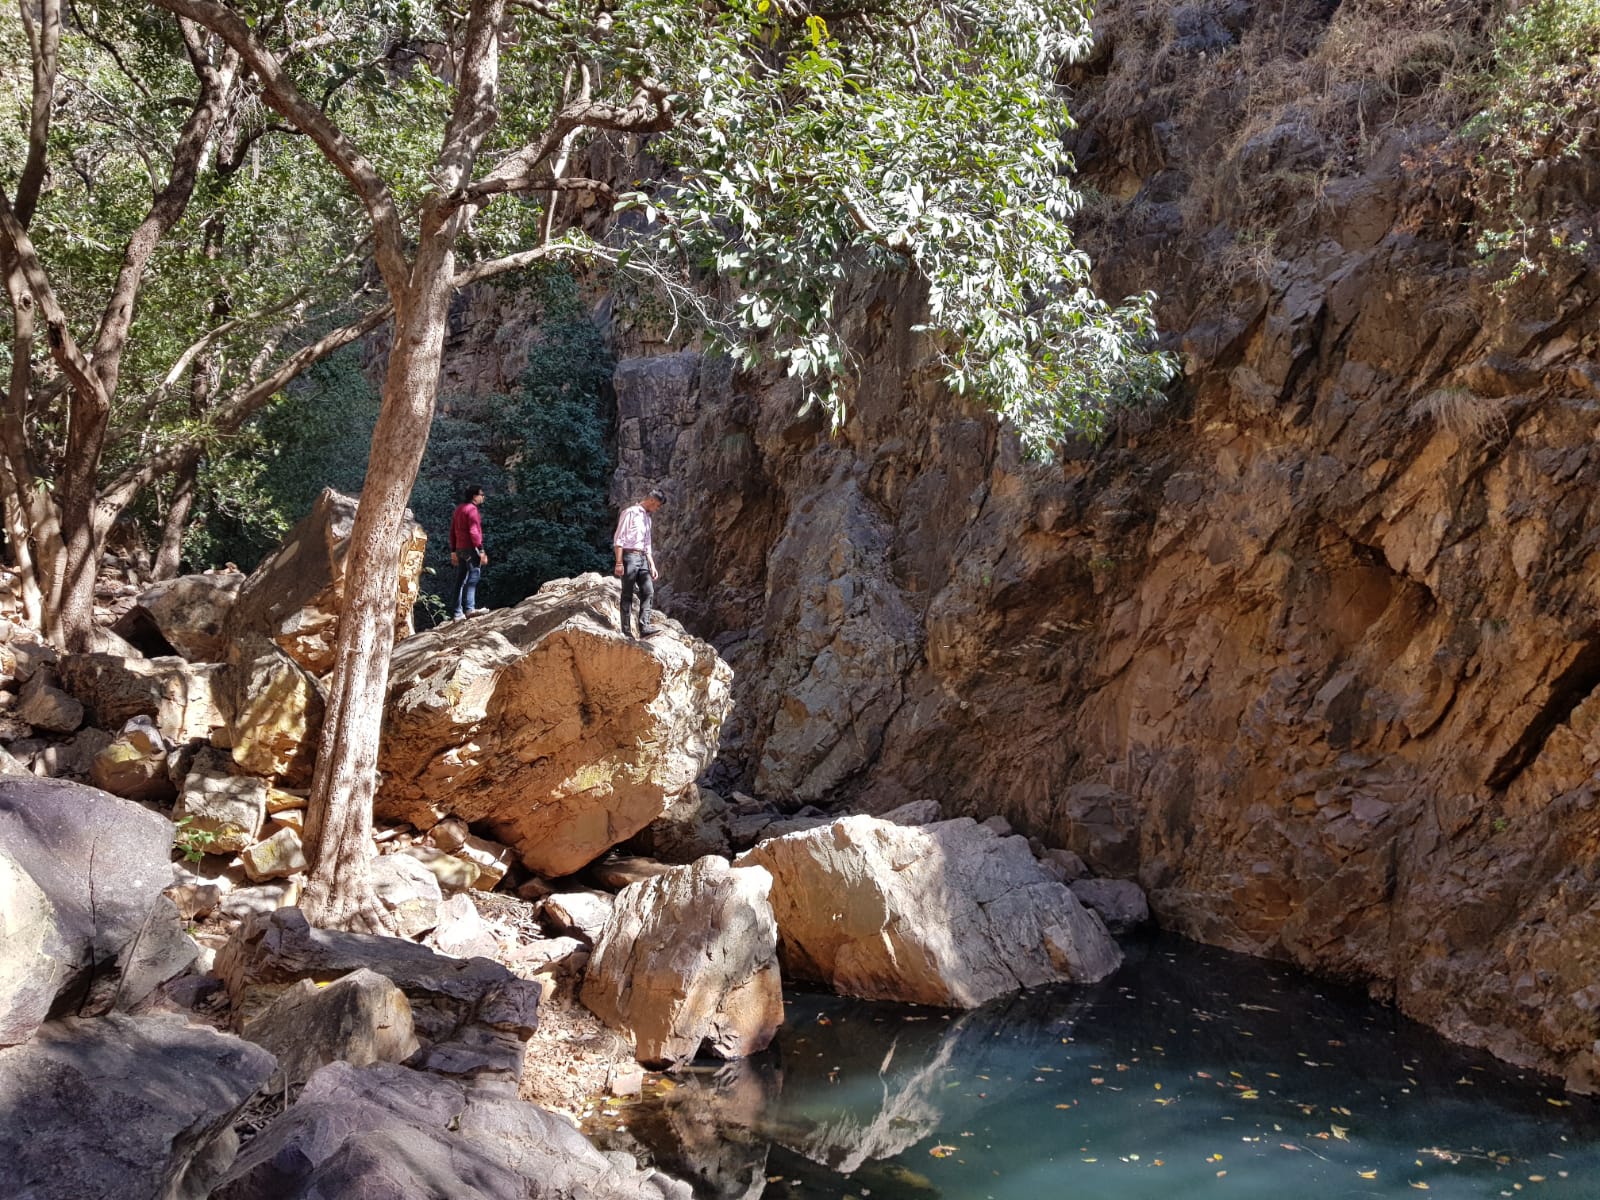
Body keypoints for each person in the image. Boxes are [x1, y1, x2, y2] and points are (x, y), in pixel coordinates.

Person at [613, 487, 665, 637]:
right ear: (651, 500)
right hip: (628, 556)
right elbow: (619, 538)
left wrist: (652, 564)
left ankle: (644, 627)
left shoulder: (648, 518)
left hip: (642, 558)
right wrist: (618, 562)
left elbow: (647, 543)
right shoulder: (630, 512)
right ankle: (626, 630)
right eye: (657, 506)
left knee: (648, 591)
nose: (657, 509)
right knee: (627, 593)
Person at [450, 484, 488, 620]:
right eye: (481, 495)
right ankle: (470, 609)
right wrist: (481, 550)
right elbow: (474, 531)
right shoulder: (472, 510)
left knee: (460, 580)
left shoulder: (459, 509)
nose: (483, 497)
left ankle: (457, 613)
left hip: (460, 549)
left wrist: (453, 550)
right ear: (474, 496)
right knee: (473, 577)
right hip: (470, 549)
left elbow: (452, 531)